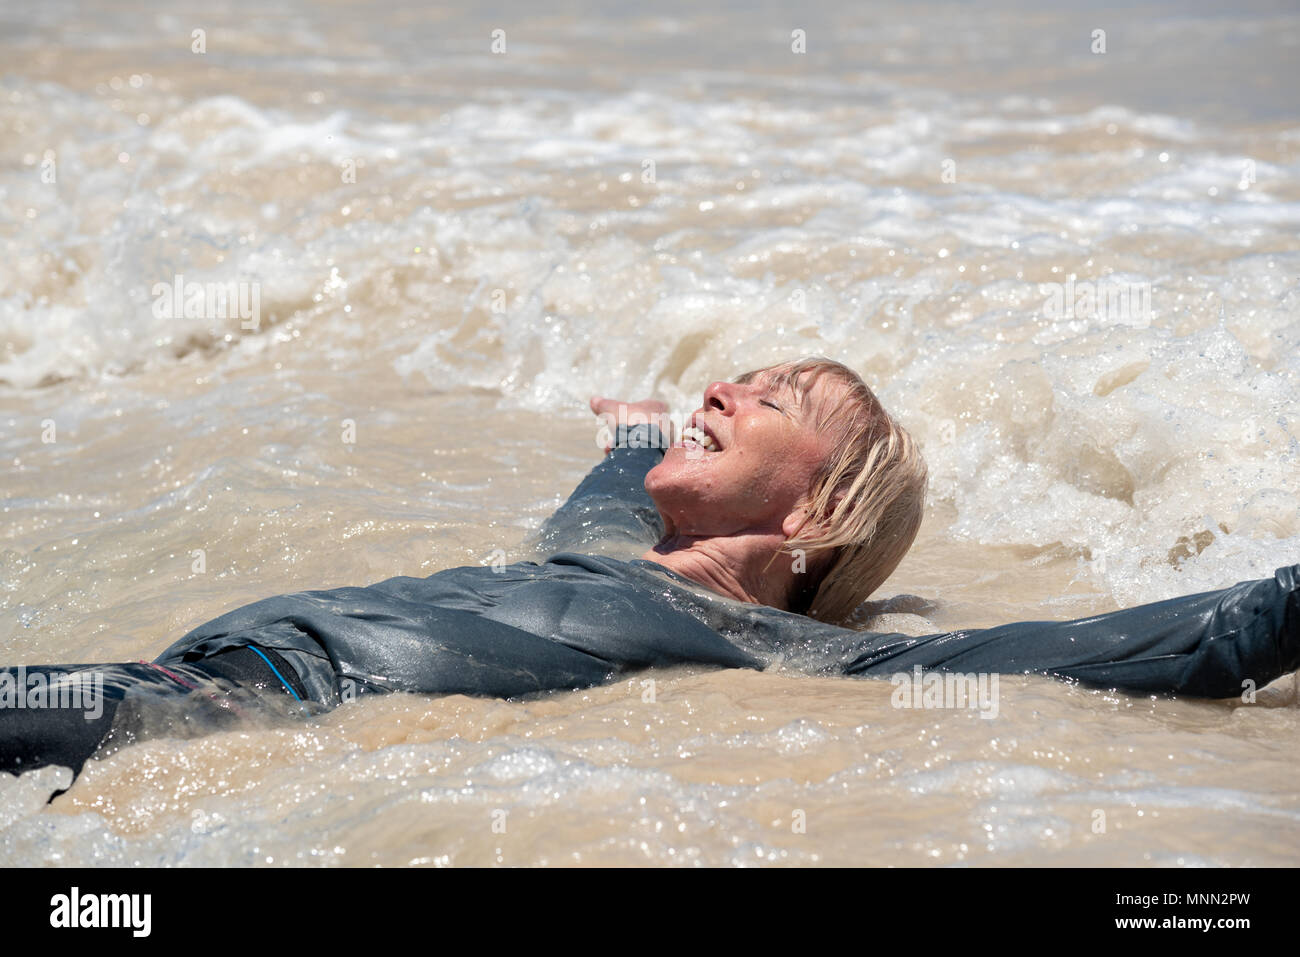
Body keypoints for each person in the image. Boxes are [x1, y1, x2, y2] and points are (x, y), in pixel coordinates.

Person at [2, 357, 1297, 781]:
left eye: (778, 393)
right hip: (188, 680)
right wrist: (635, 428)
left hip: (228, 713)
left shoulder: (795, 651)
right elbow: (621, 455)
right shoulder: (603, 545)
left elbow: (1187, 646)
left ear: (823, 510)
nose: (726, 387)